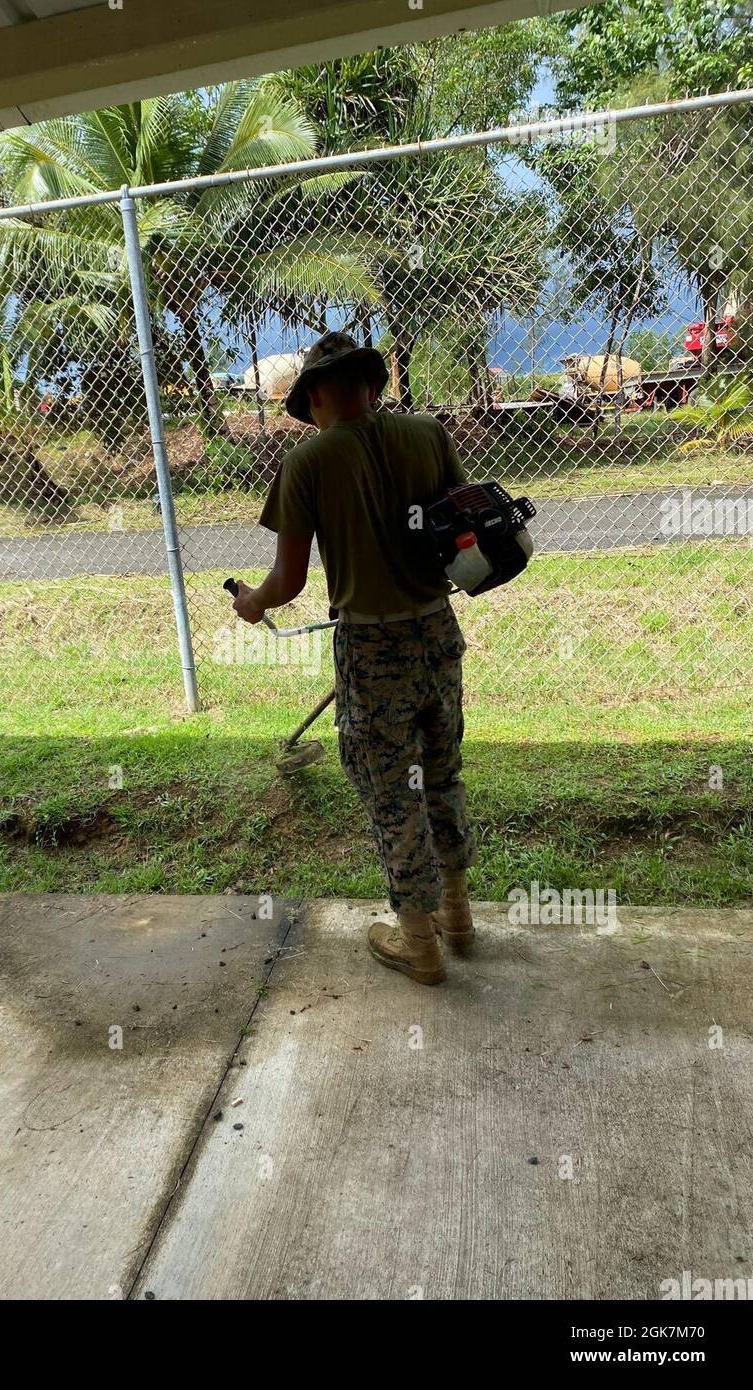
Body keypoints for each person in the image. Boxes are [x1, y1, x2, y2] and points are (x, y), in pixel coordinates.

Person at [231, 331, 476, 986]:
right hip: (438, 633)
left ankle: (418, 942)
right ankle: (458, 916)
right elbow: (463, 531)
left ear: (313, 396)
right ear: (369, 387)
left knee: (392, 790)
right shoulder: (428, 436)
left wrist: (252, 604)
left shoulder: (307, 462)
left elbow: (287, 583)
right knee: (442, 774)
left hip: (371, 650)